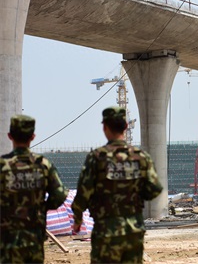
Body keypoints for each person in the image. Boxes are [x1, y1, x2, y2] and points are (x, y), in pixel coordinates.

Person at [72, 106, 163, 263]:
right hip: (133, 230)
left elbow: (82, 194)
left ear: (105, 127)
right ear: (126, 127)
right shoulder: (141, 157)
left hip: (105, 230)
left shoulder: (97, 158)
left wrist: (78, 220)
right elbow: (154, 190)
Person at [0, 114, 68, 264]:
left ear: (10, 136)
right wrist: (43, 207)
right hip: (34, 236)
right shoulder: (43, 165)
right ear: (33, 136)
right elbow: (60, 193)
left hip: (7, 238)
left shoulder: (2, 165)